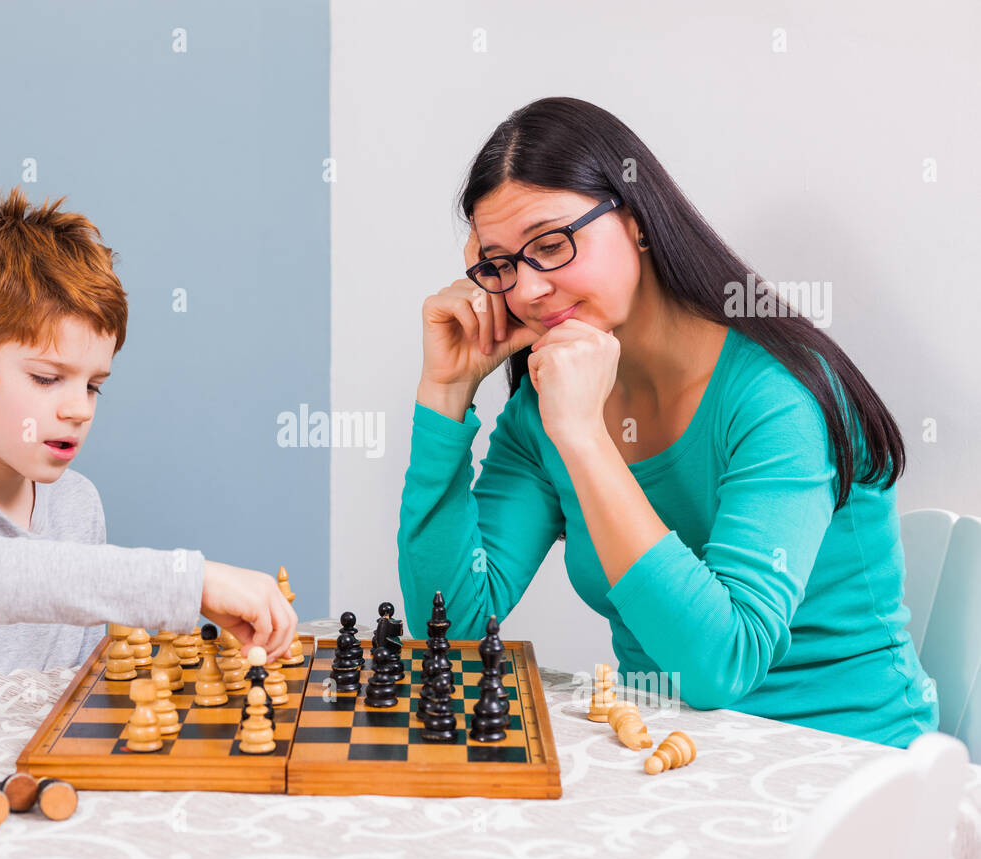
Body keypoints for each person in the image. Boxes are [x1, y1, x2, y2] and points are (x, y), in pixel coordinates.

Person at [397, 97, 938, 748]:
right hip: (666, 763)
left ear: (636, 223)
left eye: (550, 244)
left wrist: (586, 437)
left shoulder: (777, 396)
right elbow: (453, 626)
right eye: (501, 265)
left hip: (847, 773)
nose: (529, 289)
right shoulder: (546, 406)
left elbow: (720, 666)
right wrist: (446, 391)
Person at [0, 187, 297, 716]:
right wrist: (192, 581)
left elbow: (66, 694)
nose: (80, 409)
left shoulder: (76, 504)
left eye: (94, 385)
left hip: (20, 785)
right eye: (47, 378)